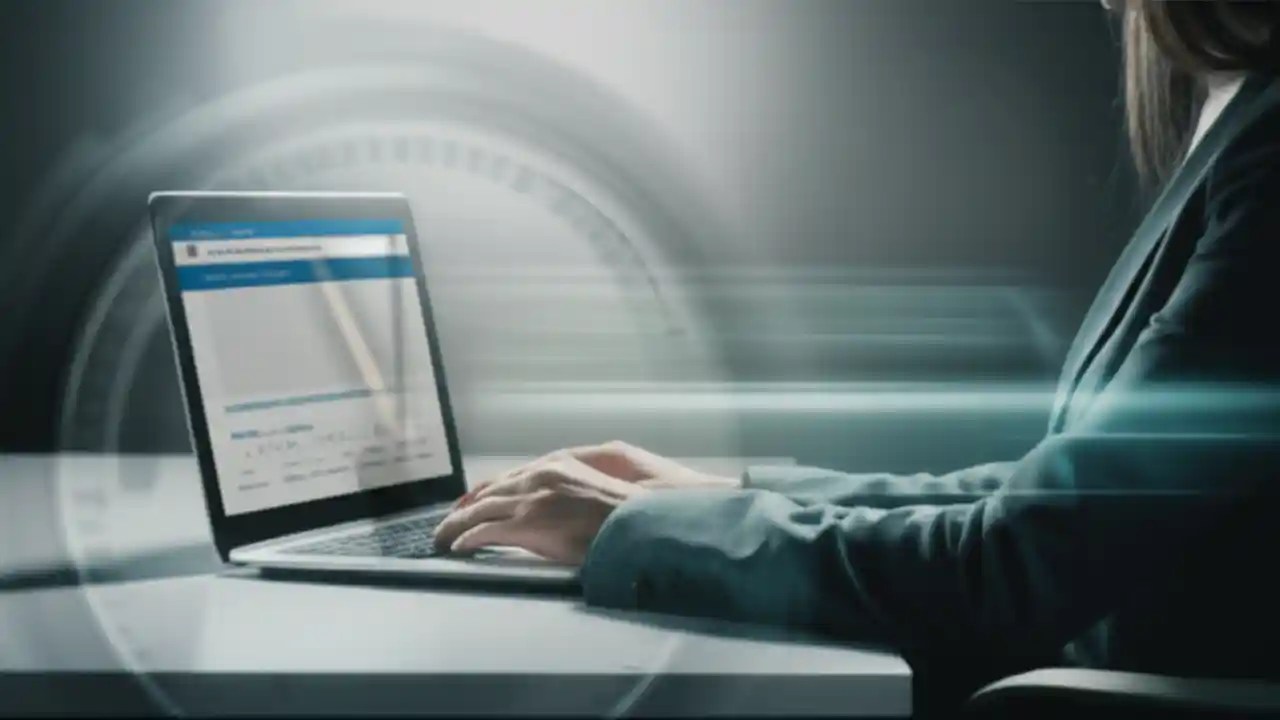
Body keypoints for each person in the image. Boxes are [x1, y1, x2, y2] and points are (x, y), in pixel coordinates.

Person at [436, 0, 1280, 707]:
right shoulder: (1244, 119)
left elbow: (1015, 565)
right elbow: (1052, 506)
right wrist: (724, 493)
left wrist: (645, 531)